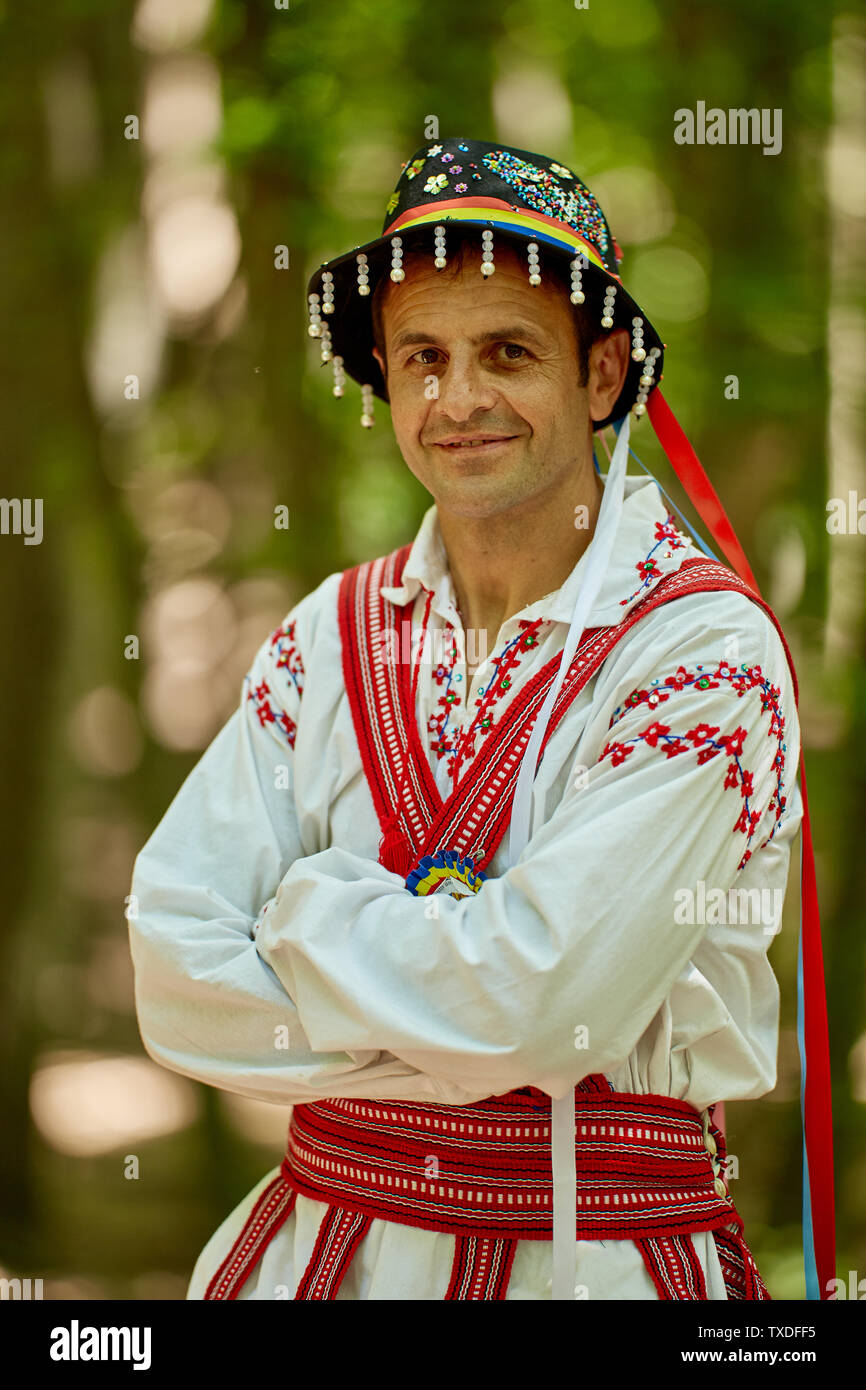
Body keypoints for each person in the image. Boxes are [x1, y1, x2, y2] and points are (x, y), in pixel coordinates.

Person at [127, 138, 832, 1300]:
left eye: (506, 352)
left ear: (600, 375)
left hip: (591, 1263)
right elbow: (173, 968)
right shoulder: (328, 634)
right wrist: (468, 1004)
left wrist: (302, 916)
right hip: (316, 1259)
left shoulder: (700, 651)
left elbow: (541, 1004)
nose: (457, 398)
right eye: (423, 357)